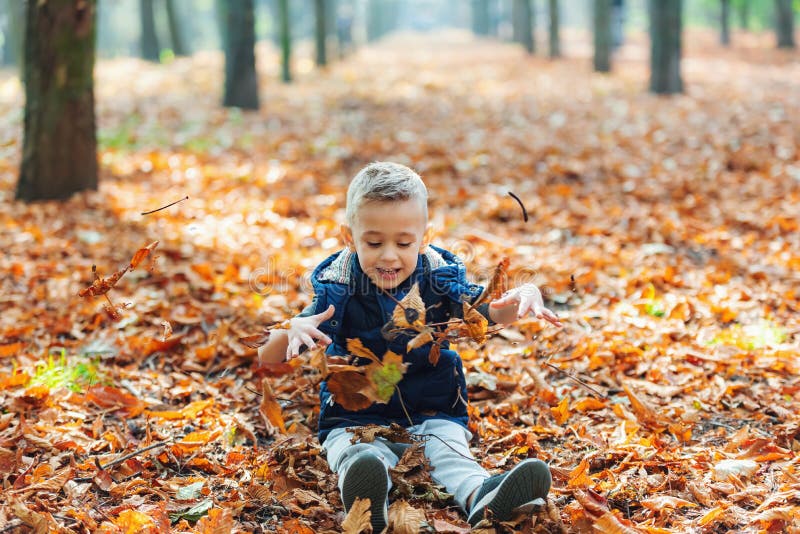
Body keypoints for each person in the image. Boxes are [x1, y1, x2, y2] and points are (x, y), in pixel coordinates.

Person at [258, 162, 561, 531]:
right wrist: (291, 329)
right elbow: (267, 357)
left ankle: (481, 497)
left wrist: (524, 294)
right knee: (352, 450)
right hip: (358, 412)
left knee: (451, 455)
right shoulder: (337, 288)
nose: (389, 255)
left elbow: (489, 314)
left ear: (424, 238)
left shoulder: (439, 280)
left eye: (403, 243)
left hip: (430, 408)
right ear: (348, 238)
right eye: (373, 242)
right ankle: (367, 496)